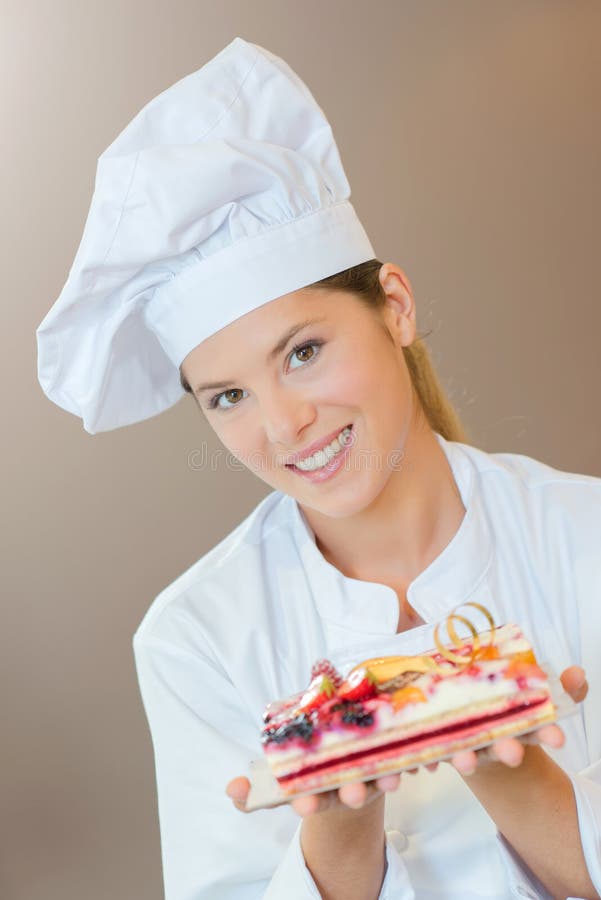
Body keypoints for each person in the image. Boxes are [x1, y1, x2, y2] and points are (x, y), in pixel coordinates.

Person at [35, 37, 601, 900]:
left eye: (302, 351)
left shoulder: (583, 537)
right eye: (226, 397)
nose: (283, 424)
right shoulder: (196, 637)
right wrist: (336, 829)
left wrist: (515, 776)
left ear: (396, 307)